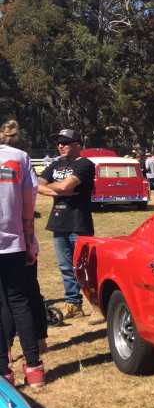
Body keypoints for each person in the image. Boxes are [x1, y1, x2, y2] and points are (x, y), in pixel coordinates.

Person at [0, 119, 45, 387]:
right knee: (20, 302)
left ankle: (4, 372)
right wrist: (29, 238)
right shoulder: (20, 158)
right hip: (15, 241)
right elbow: (29, 202)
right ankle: (34, 369)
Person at [37, 128, 96, 322]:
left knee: (85, 267)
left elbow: (65, 186)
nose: (60, 146)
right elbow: (35, 184)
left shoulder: (85, 164)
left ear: (77, 145)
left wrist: (53, 188)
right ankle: (74, 304)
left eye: (65, 142)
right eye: (58, 143)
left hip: (79, 223)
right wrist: (56, 191)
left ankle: (97, 305)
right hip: (58, 222)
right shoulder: (55, 164)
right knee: (65, 267)